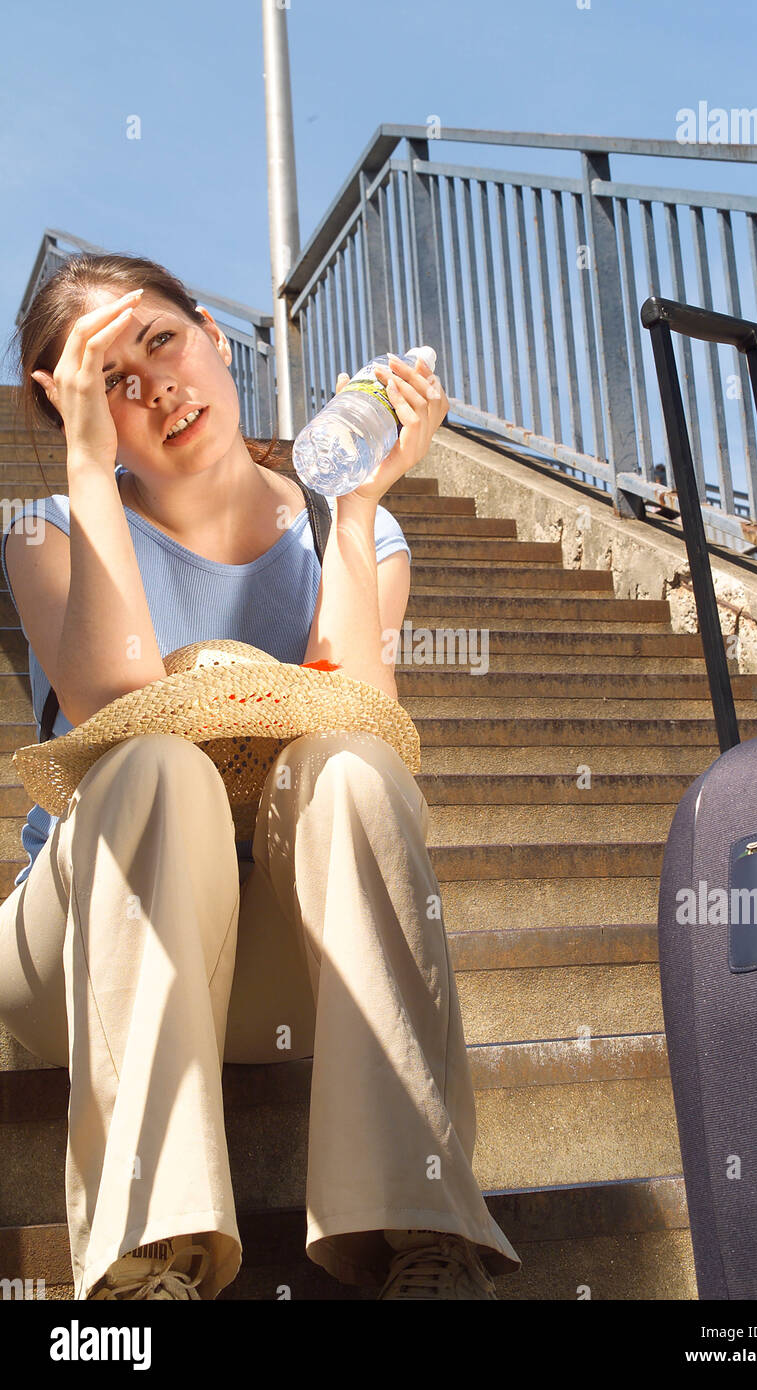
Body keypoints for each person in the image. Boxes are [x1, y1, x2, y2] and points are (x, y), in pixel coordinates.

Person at [0, 252, 522, 1300]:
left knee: (352, 764)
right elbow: (112, 710)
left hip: (286, 957)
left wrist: (362, 503)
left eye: (159, 342)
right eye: (109, 381)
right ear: (74, 417)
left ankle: (420, 1232)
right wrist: (90, 472)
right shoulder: (45, 532)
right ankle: (144, 1257)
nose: (155, 388)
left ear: (212, 333)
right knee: (155, 761)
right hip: (91, 952)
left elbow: (362, 724)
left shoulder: (349, 535)